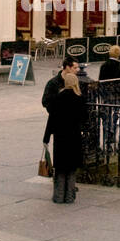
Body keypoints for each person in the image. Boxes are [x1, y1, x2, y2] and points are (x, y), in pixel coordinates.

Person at [43, 70, 85, 204]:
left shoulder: (57, 99)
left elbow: (51, 120)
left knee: (60, 169)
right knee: (71, 169)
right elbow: (85, 118)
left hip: (60, 138)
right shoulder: (79, 99)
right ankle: (69, 196)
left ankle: (58, 196)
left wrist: (46, 138)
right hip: (74, 138)